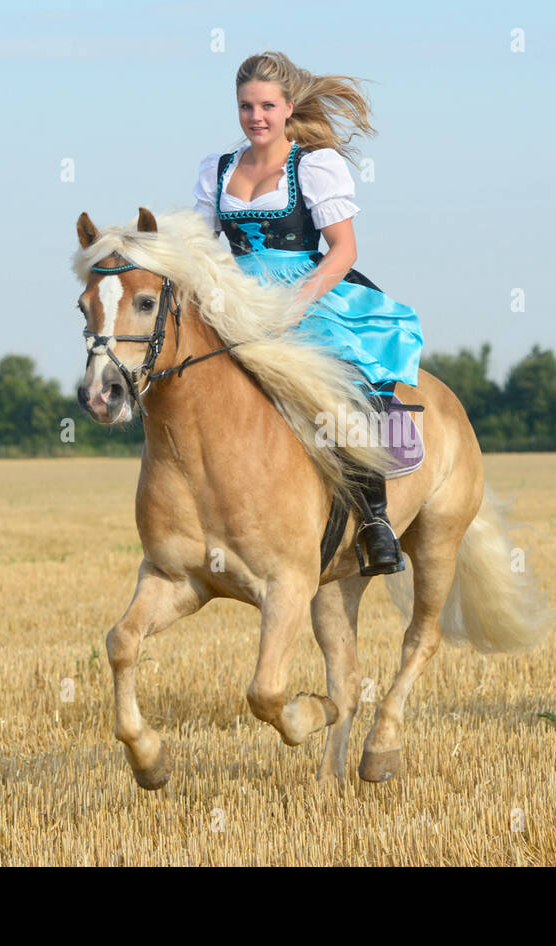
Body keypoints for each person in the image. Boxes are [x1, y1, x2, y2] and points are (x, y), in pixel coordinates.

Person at [192, 51, 423, 576]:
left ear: (288, 106)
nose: (257, 117)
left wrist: (292, 306)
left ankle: (374, 519)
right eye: (247, 106)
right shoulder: (216, 170)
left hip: (307, 293)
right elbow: (202, 249)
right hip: (237, 296)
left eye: (268, 106)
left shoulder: (315, 166)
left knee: (342, 381)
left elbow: (344, 250)